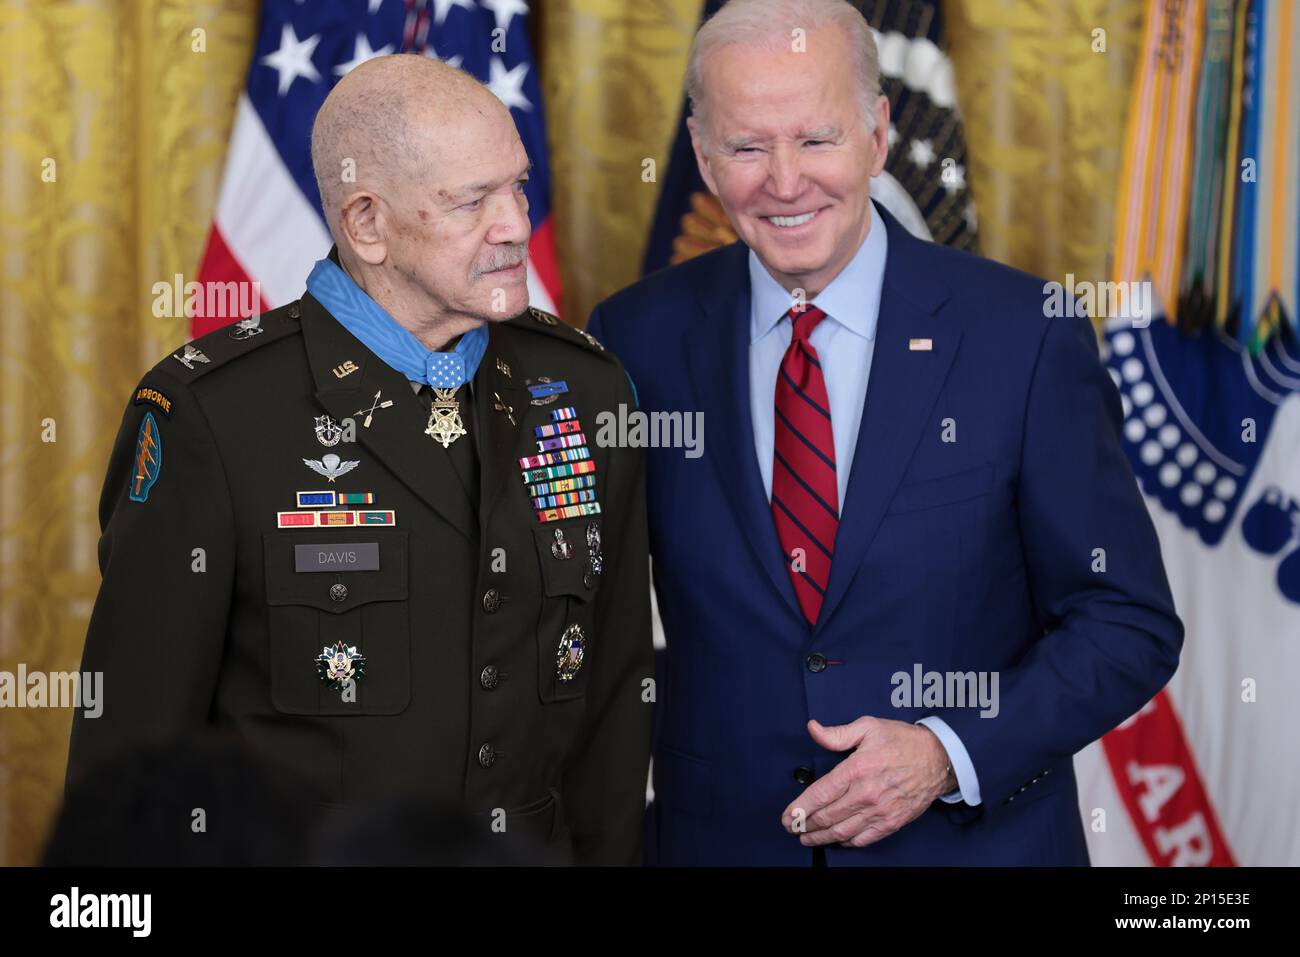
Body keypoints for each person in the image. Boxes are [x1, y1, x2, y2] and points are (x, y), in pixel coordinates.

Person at [587, 0, 1182, 865]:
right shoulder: (636, 333)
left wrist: (949, 752)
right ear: (703, 155)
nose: (785, 182)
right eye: (748, 146)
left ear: (877, 133)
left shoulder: (1023, 334)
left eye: (817, 139)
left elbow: (1127, 622)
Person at [66, 55, 653, 866]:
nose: (517, 222)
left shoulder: (586, 390)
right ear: (367, 223)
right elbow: (132, 767)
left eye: (518, 185)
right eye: (470, 199)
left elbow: (616, 710)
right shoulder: (212, 415)